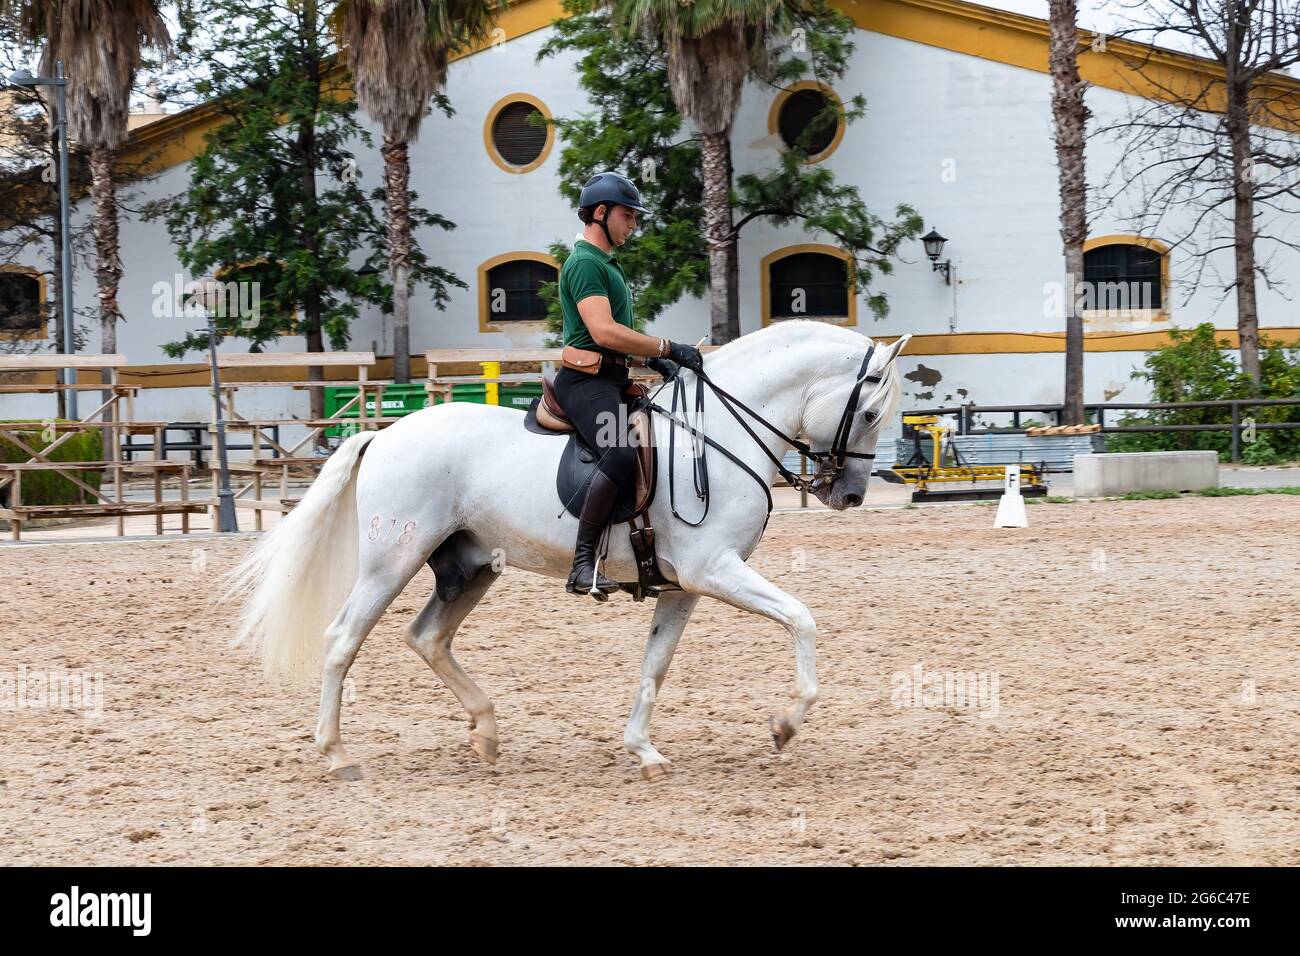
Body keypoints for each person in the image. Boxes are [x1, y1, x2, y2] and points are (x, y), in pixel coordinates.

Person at [555, 171, 703, 598]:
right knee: (620, 451)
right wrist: (668, 347)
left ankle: (643, 558)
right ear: (600, 213)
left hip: (614, 379)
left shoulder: (607, 264)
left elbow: (619, 337)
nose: (633, 224)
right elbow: (602, 332)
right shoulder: (585, 263)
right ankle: (582, 565)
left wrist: (654, 359)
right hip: (585, 383)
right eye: (627, 215)